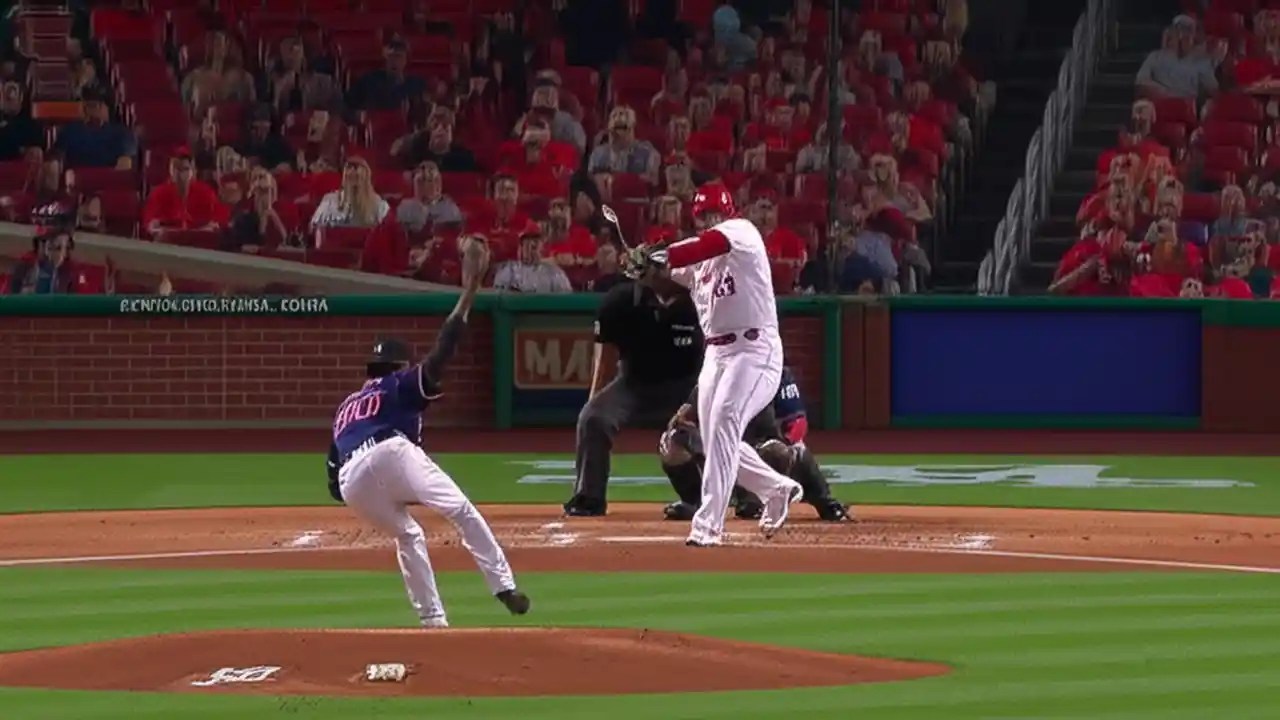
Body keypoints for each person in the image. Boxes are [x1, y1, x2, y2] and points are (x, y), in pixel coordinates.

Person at [326, 238, 530, 627]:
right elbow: (441, 354)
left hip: (352, 480)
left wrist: (385, 490)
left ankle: (433, 620)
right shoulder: (399, 384)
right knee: (459, 510)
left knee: (408, 536)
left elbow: (333, 482)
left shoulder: (346, 406)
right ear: (399, 364)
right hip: (391, 452)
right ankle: (503, 585)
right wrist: (469, 292)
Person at [622, 182, 802, 545]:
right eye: (705, 214)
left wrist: (659, 254)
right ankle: (777, 488)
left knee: (724, 422)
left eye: (716, 212)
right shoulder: (700, 264)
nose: (711, 219)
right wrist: (642, 266)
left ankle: (708, 525)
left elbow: (703, 246)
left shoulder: (739, 233)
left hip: (755, 350)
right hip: (718, 355)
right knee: (714, 434)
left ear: (729, 210)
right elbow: (669, 280)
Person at [562, 266, 704, 517]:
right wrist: (594, 401)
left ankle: (712, 500)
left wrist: (698, 405)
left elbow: (714, 360)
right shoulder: (621, 302)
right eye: (656, 270)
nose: (662, 275)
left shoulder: (702, 299)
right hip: (633, 383)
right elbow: (604, 359)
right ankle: (589, 497)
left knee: (716, 428)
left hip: (688, 386)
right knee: (594, 418)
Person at [658, 366, 851, 522]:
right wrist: (690, 426)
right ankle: (695, 503)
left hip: (762, 454)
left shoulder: (776, 375)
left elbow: (797, 425)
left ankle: (825, 502)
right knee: (672, 441)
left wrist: (784, 446)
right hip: (721, 452)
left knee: (785, 450)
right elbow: (683, 416)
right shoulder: (715, 372)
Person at [142, 148, 228, 239]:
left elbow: (218, 223)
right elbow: (150, 225)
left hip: (198, 242)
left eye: (185, 169)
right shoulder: (158, 194)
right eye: (176, 169)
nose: (180, 174)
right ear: (170, 170)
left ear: (193, 171)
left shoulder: (206, 192)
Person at [52, 85, 136, 169]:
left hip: (109, 179)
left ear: (108, 108)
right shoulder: (70, 131)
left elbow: (126, 161)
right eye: (88, 105)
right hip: (77, 178)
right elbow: (56, 156)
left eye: (96, 105)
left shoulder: (122, 134)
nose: (92, 111)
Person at [310, 157, 390, 229]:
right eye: (349, 178)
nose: (353, 185)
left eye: (358, 178)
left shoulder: (379, 205)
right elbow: (314, 228)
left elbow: (388, 233)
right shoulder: (329, 202)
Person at [492, 227, 573, 293]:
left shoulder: (554, 273)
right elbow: (498, 296)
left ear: (542, 249)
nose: (529, 250)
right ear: (519, 248)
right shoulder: (509, 270)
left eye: (534, 246)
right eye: (525, 245)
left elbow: (565, 299)